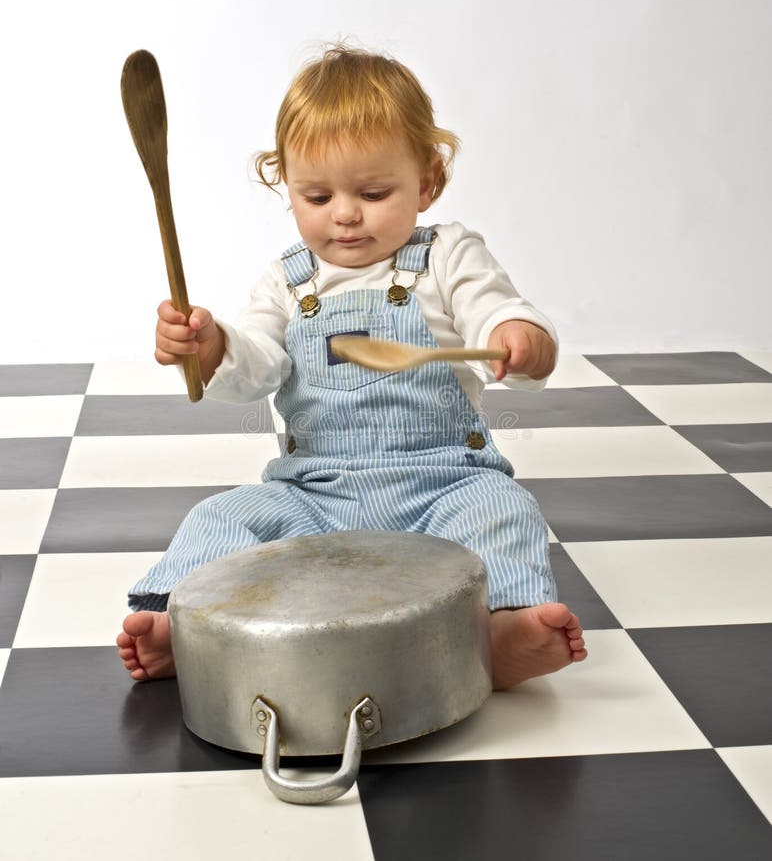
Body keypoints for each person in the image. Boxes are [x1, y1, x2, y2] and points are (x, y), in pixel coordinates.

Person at [117, 44, 587, 690]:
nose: (344, 213)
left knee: (504, 509)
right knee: (221, 516)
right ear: (285, 185)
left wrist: (520, 337)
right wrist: (211, 347)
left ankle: (497, 633)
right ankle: (183, 627)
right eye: (316, 194)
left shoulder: (447, 255)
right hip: (314, 496)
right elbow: (255, 363)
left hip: (443, 486)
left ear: (427, 181)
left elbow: (498, 310)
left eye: (372, 192)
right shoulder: (288, 283)